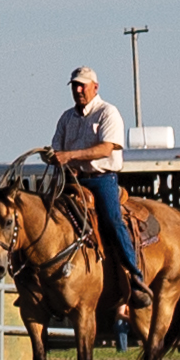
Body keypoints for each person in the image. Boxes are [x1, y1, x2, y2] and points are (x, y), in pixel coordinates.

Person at [42, 65, 144, 311]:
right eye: (75, 86)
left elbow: (106, 148)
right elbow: (57, 148)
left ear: (94, 87)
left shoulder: (107, 112)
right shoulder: (66, 118)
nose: (78, 90)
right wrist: (53, 156)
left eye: (82, 85)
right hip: (72, 180)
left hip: (101, 179)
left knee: (112, 220)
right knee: (46, 216)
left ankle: (134, 275)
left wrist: (70, 156)